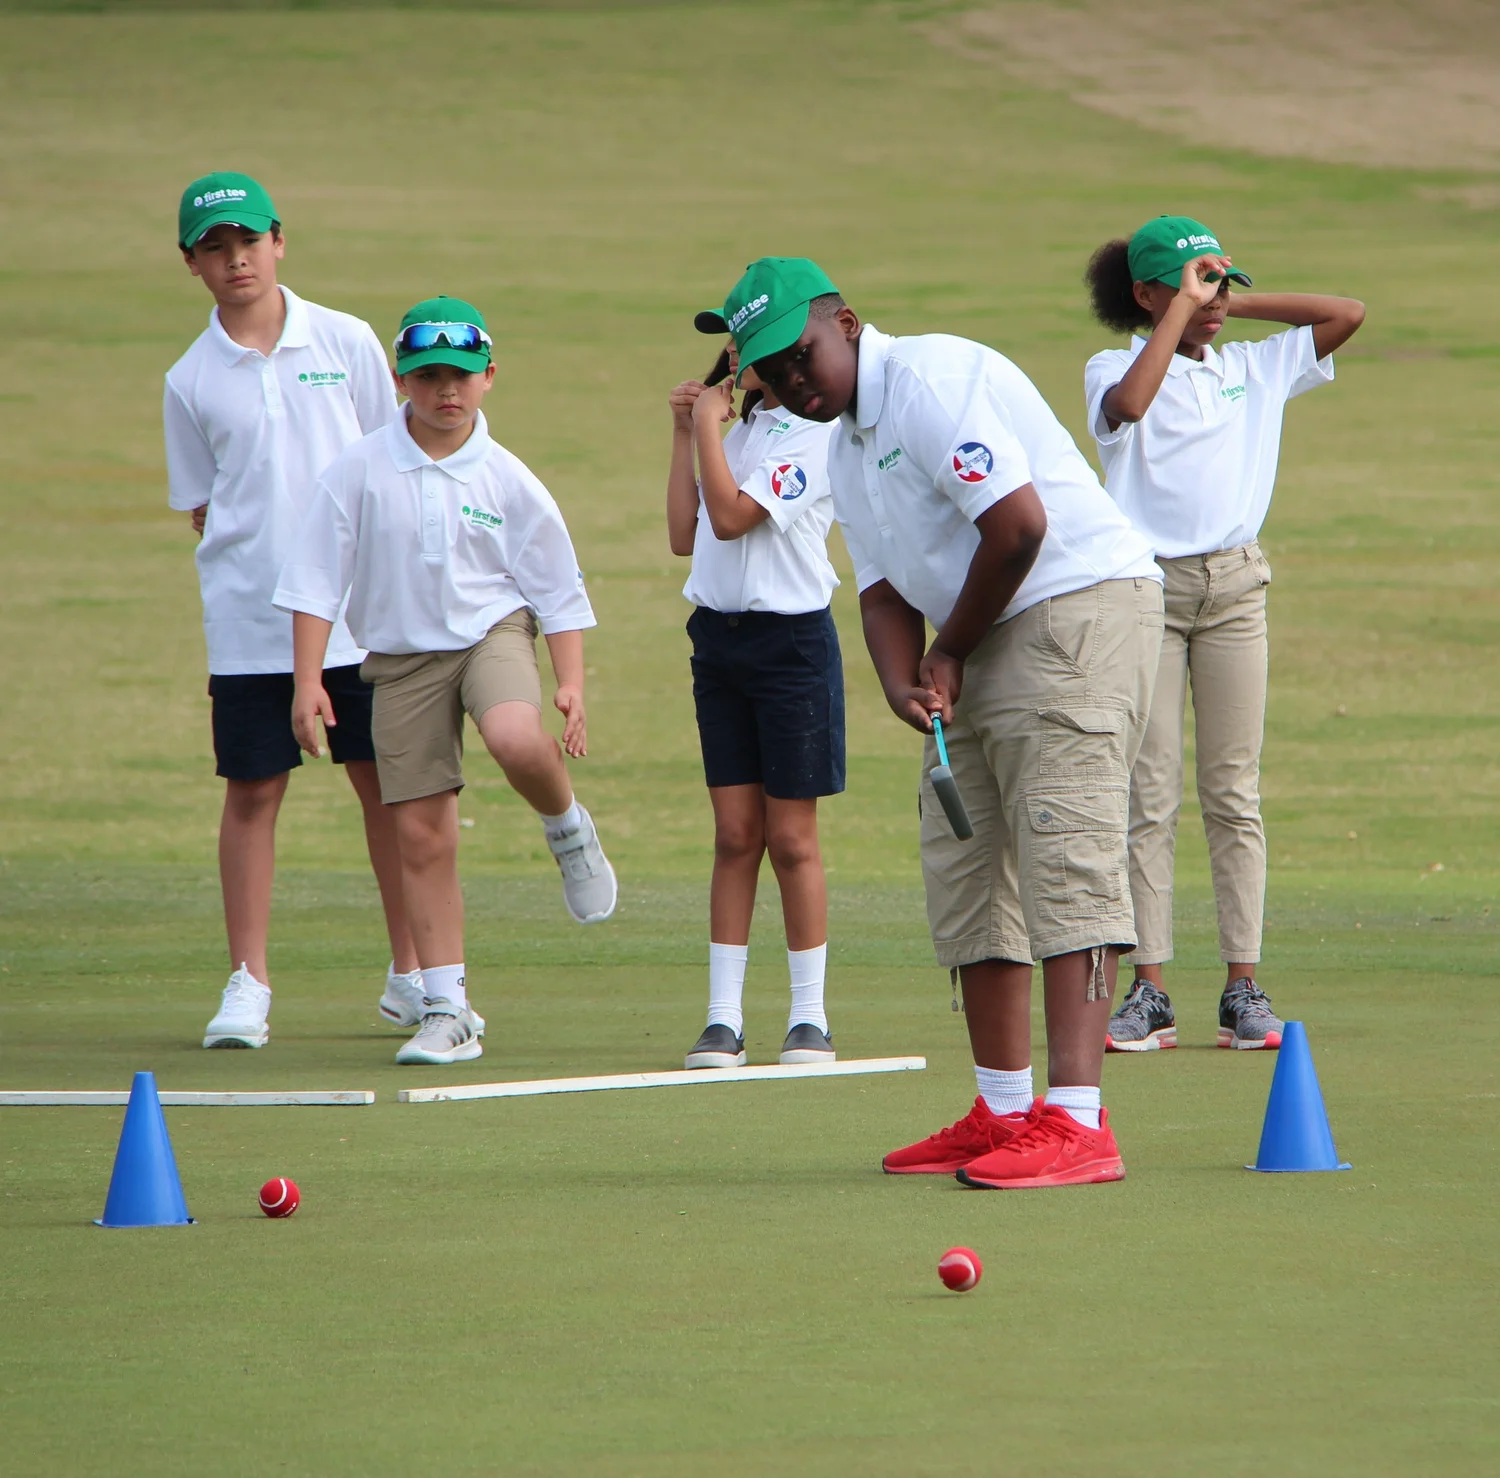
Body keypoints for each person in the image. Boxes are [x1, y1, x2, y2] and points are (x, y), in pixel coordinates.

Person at [722, 256, 1164, 1189]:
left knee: (1064, 847)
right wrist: (901, 680)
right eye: (771, 372)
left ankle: (1079, 1122)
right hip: (983, 626)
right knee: (968, 865)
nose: (794, 382)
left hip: (1073, 606)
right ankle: (1006, 1113)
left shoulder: (927, 380)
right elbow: (882, 588)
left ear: (845, 322)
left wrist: (948, 650)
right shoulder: (841, 443)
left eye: (802, 354)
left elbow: (1018, 526)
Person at [275, 297, 617, 1066]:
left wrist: (571, 685)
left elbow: (559, 591)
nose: (446, 391)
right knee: (420, 836)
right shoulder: (358, 470)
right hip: (399, 661)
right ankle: (447, 1008)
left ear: (489, 377)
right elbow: (313, 582)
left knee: (513, 735)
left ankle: (567, 826)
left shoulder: (509, 478)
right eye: (428, 376)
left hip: (489, 633)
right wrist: (306, 683)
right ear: (401, 380)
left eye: (461, 375)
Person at [1083, 216, 1365, 1052]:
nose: (1210, 295)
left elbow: (1346, 310)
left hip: (1237, 586)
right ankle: (1150, 988)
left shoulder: (1251, 364)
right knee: (1150, 792)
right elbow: (1128, 407)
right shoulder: (1114, 365)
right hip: (1149, 592)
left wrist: (1226, 301)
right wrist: (1184, 314)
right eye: (1190, 281)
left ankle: (1243, 985)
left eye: (1219, 279)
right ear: (1145, 295)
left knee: (1233, 790)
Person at [163, 170, 422, 1051]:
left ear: (280, 241)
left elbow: (391, 454)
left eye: (249, 242)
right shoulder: (190, 379)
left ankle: (413, 970)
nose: (237, 261)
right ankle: (248, 983)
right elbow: (204, 503)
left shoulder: (346, 341)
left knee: (383, 786)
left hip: (360, 616)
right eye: (216, 249)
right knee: (254, 789)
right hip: (248, 619)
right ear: (192, 263)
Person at [665, 317, 844, 1070]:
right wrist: (688, 434)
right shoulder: (730, 432)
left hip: (792, 644)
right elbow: (685, 532)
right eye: (731, 344)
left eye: (750, 344)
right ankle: (722, 1019)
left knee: (792, 838)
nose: (737, 357)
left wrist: (707, 424)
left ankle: (810, 1016)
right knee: (736, 834)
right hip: (720, 641)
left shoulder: (812, 433)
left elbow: (735, 518)